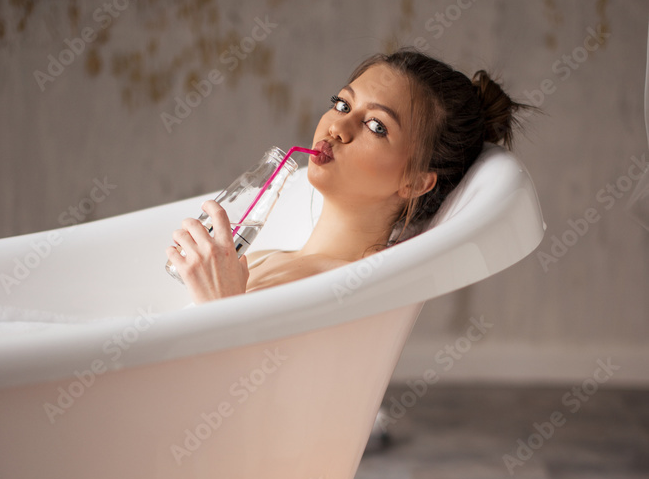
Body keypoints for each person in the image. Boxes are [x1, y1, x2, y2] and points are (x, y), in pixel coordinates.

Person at [167, 48, 529, 305]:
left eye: (376, 126)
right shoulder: (271, 259)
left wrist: (221, 308)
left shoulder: (345, 292)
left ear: (416, 181)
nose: (338, 126)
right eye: (342, 104)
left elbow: (270, 408)